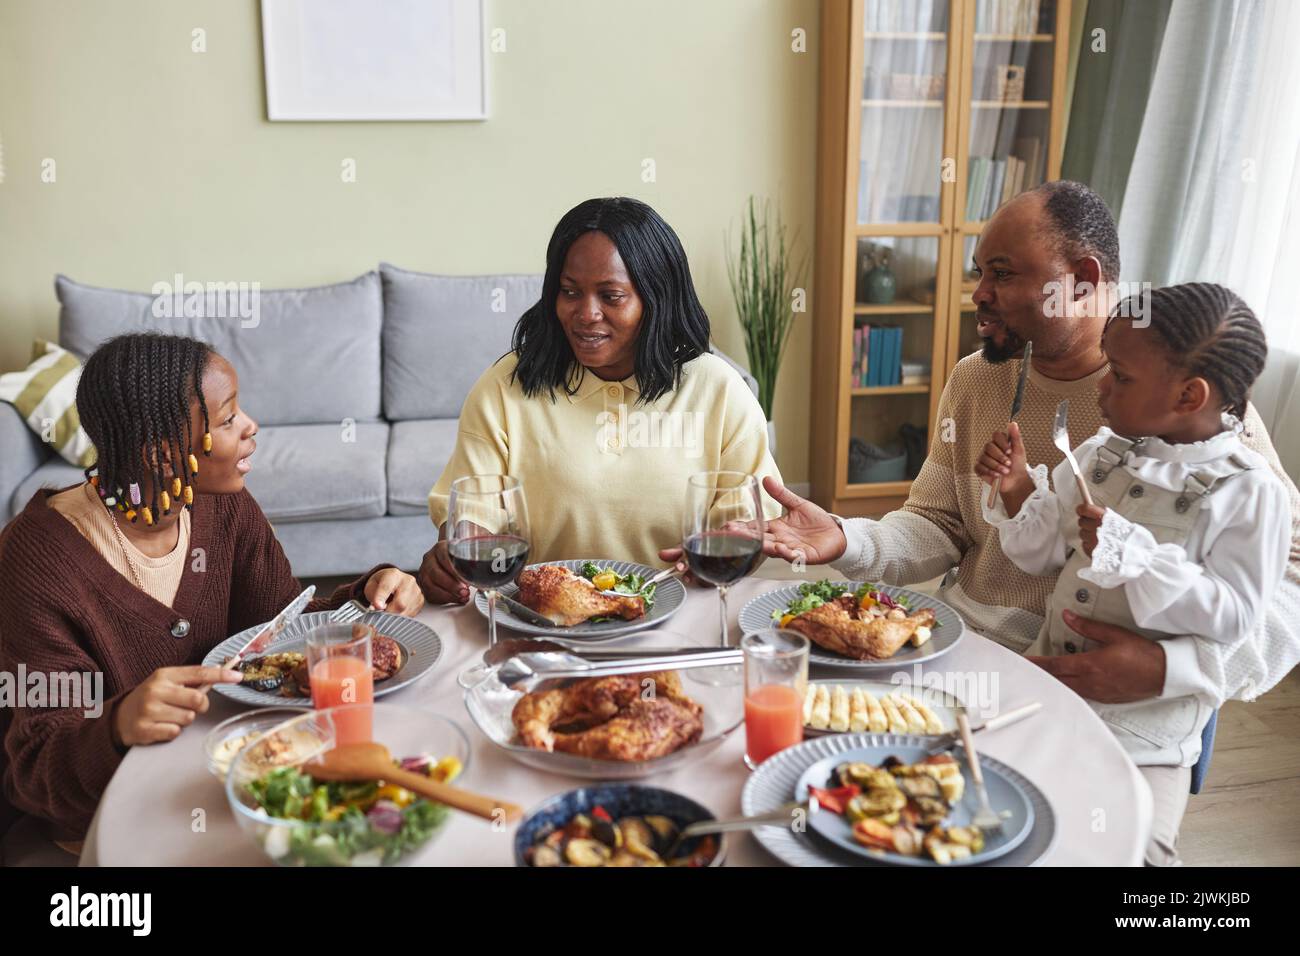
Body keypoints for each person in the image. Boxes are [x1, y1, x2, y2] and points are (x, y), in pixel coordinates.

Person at [756, 181, 1300, 865]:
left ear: (1082, 281)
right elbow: (935, 521)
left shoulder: (1199, 416)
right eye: (980, 272)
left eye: (1002, 273)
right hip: (963, 668)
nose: (977, 292)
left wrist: (1169, 667)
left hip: (1125, 715)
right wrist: (849, 537)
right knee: (822, 808)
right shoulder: (976, 380)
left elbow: (1288, 587)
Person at [0, 332, 424, 845]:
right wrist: (117, 726)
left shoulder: (219, 503)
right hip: (128, 822)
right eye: (227, 421)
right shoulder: (37, 558)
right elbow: (37, 767)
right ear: (161, 456)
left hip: (240, 782)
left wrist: (369, 596)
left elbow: (282, 627)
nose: (251, 428)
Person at [978, 284, 1288, 824]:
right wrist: (1016, 490)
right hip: (1044, 690)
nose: (1101, 387)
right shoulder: (1100, 457)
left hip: (1144, 736)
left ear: (1189, 397)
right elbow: (1047, 551)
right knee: (979, 813)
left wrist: (1138, 559)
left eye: (1120, 376)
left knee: (1129, 851)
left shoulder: (1250, 493)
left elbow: (1236, 616)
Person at [418, 196, 781, 605]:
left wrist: (733, 543)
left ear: (656, 300)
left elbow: (748, 530)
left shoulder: (718, 390)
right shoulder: (505, 387)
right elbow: (472, 520)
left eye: (611, 296)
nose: (585, 314)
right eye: (570, 291)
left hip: (679, 614)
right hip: (546, 619)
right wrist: (453, 558)